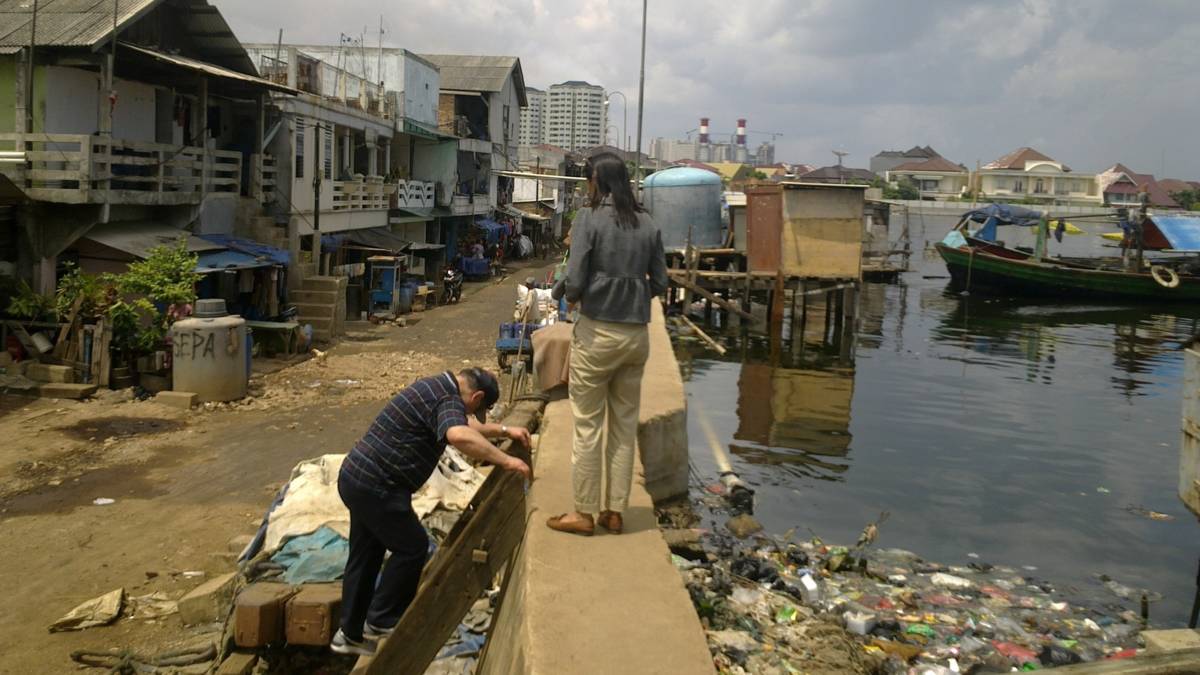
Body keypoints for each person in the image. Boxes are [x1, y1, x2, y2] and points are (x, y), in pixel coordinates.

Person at [332, 368, 532, 655]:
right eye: (477, 409)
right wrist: (506, 461)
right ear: (476, 396)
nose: (473, 415)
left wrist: (503, 430)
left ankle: (349, 635)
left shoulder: (438, 388)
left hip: (356, 477)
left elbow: (464, 425)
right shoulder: (448, 399)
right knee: (413, 547)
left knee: (366, 555)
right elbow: (459, 434)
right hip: (379, 486)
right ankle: (382, 620)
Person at [547, 152, 668, 537]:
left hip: (597, 333)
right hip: (636, 337)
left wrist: (570, 293)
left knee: (588, 427)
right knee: (623, 426)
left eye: (587, 180)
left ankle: (583, 513)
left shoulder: (589, 217)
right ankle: (614, 512)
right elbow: (661, 282)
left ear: (596, 181)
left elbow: (575, 278)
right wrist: (632, 292)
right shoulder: (647, 222)